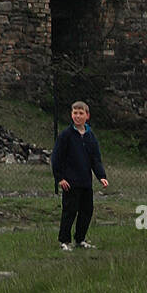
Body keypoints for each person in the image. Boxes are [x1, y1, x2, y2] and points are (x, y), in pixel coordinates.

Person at [51, 100, 109, 250]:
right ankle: (64, 241)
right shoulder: (66, 135)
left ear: (87, 116)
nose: (77, 116)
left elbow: (95, 159)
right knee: (70, 212)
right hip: (70, 182)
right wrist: (60, 178)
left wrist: (101, 176)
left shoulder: (90, 137)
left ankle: (80, 239)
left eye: (81, 113)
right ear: (71, 115)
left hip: (85, 182)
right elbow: (56, 158)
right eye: (75, 113)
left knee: (86, 211)